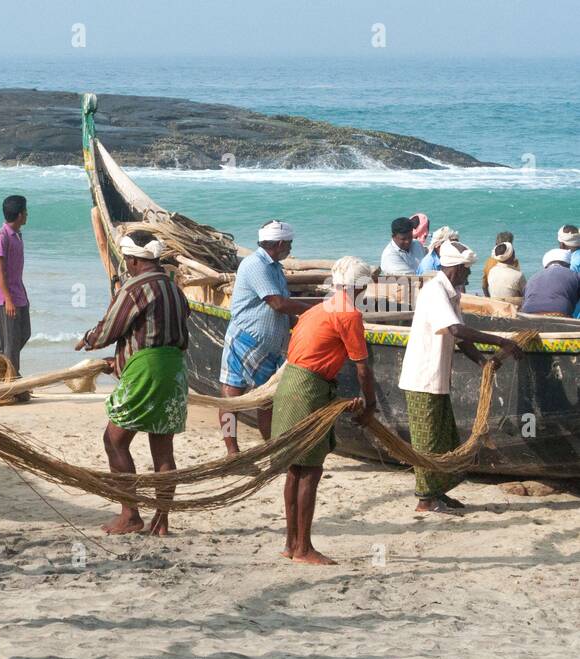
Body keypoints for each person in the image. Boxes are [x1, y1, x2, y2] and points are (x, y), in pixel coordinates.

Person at [76, 233, 189, 536]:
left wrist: (87, 340)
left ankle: (130, 514)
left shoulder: (136, 287)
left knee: (114, 440)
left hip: (147, 370)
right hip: (175, 369)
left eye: (127, 260)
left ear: (135, 260)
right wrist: (122, 359)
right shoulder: (174, 289)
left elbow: (109, 329)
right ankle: (162, 522)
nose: (127, 266)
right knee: (163, 449)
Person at [398, 241, 520, 513]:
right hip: (422, 378)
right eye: (466, 269)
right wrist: (501, 342)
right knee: (427, 441)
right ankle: (425, 499)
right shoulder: (435, 291)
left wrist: (482, 362)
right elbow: (456, 330)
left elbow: (460, 335)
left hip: (437, 378)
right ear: (454, 268)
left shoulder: (451, 293)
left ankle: (437, 493)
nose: (469, 274)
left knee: (444, 438)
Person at [270, 257, 377, 565]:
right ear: (358, 287)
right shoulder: (349, 313)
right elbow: (362, 369)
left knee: (295, 468)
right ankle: (304, 548)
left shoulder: (318, 309)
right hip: (309, 391)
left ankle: (292, 544)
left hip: (290, 384)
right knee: (310, 471)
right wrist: (370, 406)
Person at [218, 220, 313, 454]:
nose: (291, 248)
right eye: (289, 244)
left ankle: (270, 448)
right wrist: (313, 310)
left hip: (270, 346)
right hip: (245, 340)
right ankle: (232, 451)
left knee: (266, 399)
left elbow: (283, 310)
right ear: (280, 243)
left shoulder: (275, 268)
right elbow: (278, 304)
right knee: (232, 398)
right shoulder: (255, 265)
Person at [0, 195, 30, 376]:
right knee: (11, 343)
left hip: (19, 295)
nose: (27, 214)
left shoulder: (17, 236)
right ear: (20, 215)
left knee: (23, 335)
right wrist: (8, 300)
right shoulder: (2, 237)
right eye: (25, 211)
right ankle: (11, 382)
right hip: (5, 298)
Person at [521, 249, 580, 316]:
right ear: (568, 265)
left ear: (546, 266)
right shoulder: (575, 275)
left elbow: (525, 299)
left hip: (528, 315)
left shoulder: (532, 277)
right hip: (560, 315)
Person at [481, 230, 515, 294]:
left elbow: (484, 286)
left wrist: (488, 298)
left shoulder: (489, 261)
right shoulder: (514, 262)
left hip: (494, 297)